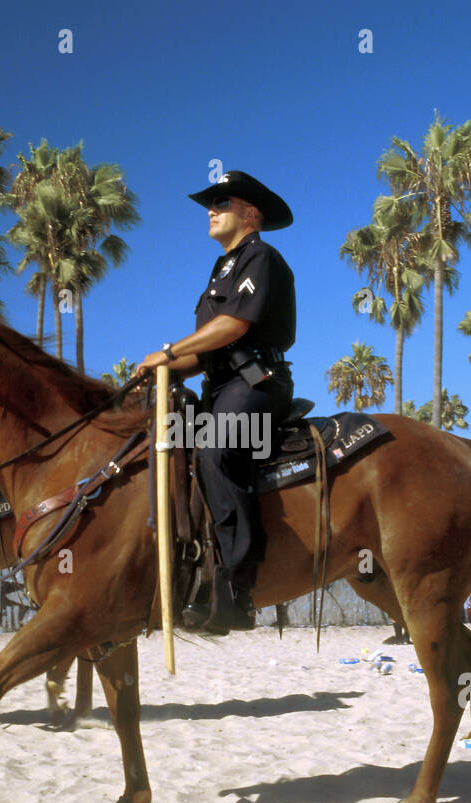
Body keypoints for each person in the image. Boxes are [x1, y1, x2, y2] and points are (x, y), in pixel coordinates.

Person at [137, 171, 296, 634]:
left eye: (221, 201)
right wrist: (162, 371)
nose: (211, 209)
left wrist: (167, 352)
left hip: (257, 384)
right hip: (220, 386)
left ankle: (235, 590)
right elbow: (207, 351)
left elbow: (232, 327)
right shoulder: (220, 271)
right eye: (211, 202)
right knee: (169, 452)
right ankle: (192, 572)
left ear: (251, 213)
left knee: (215, 451)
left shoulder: (261, 257)